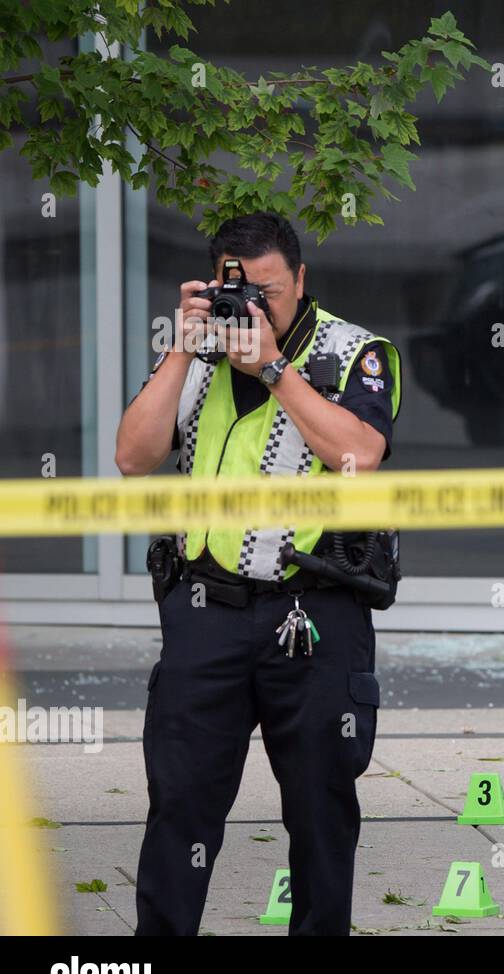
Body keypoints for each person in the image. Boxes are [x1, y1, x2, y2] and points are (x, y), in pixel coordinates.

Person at [115, 211, 401, 935]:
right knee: (180, 802)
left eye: (271, 292)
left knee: (319, 808)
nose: (255, 308)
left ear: (300, 281)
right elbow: (133, 455)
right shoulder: (197, 350)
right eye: (240, 291)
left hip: (313, 617)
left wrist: (273, 367)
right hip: (205, 610)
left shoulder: (353, 352)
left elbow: (358, 454)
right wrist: (181, 349)